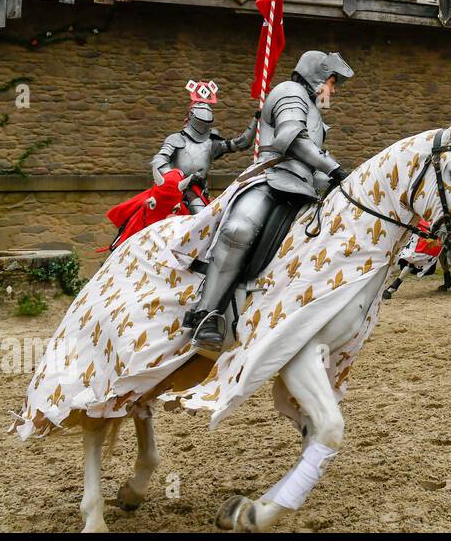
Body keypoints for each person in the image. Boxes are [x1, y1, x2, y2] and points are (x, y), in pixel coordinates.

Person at [188, 50, 354, 352]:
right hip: (270, 179)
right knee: (238, 230)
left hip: (303, 188)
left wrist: (332, 181)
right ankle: (206, 314)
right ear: (316, 77)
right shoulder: (289, 92)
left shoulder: (316, 112)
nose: (333, 91)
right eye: (331, 83)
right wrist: (334, 168)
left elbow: (312, 162)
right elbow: (290, 139)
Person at [152, 90, 258, 213]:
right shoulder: (176, 139)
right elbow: (159, 160)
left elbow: (240, 143)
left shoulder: (211, 144)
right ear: (191, 116)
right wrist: (174, 178)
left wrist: (256, 121)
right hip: (173, 191)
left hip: (198, 191)